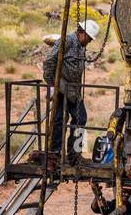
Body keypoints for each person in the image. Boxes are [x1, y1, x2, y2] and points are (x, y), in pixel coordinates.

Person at [42, 19, 98, 165]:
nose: (90, 41)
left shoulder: (80, 45)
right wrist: (51, 83)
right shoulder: (67, 41)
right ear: (82, 33)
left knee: (81, 118)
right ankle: (55, 153)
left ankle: (75, 154)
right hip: (61, 88)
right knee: (59, 118)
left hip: (74, 90)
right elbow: (49, 60)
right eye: (89, 38)